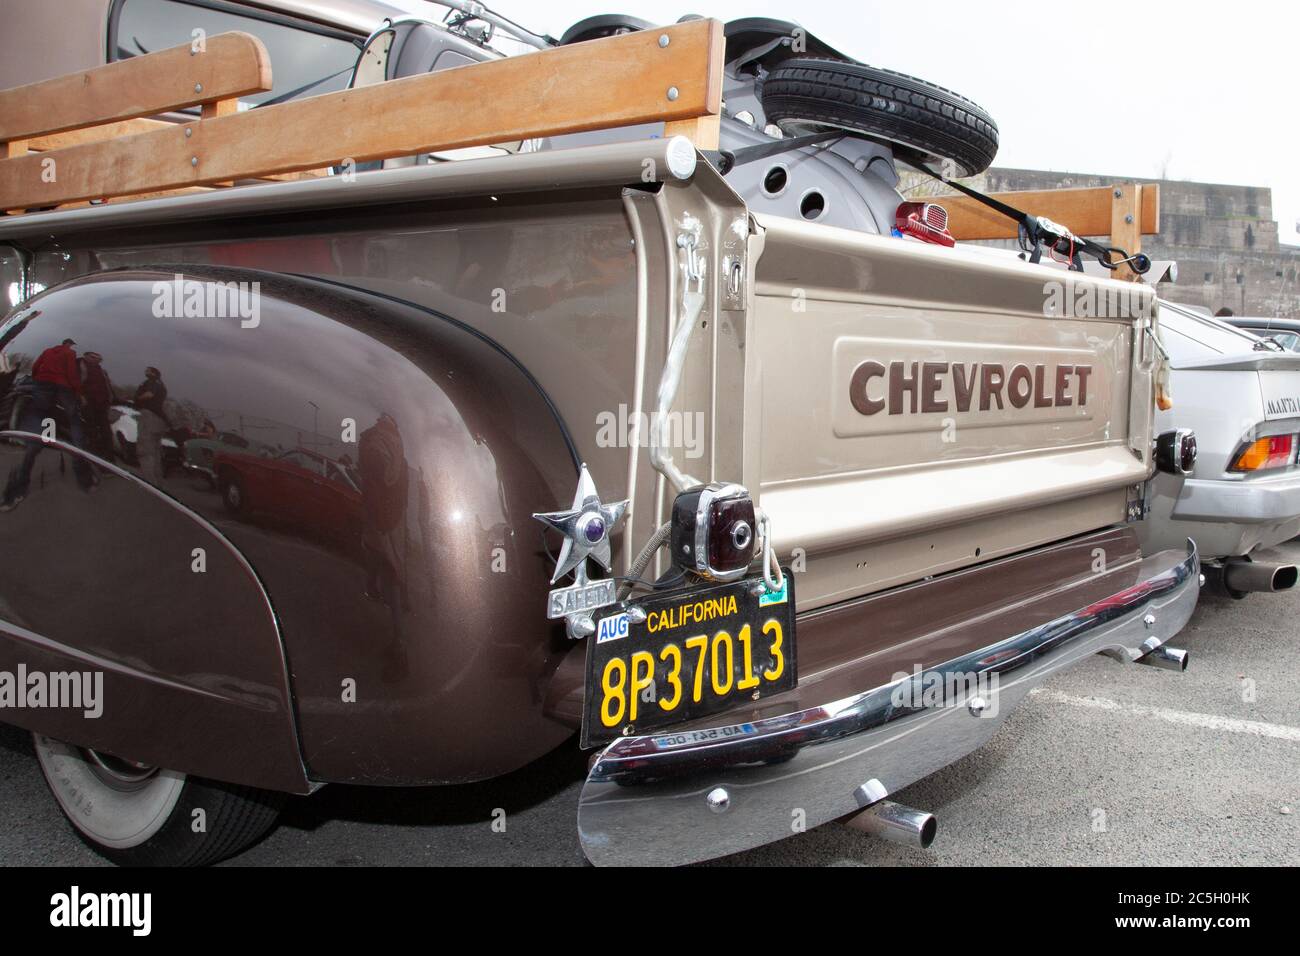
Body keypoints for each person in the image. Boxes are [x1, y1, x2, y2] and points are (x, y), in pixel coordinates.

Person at [1, 338, 95, 511]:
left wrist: (40, 382)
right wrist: (78, 392)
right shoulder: (69, 353)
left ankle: (17, 490)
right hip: (62, 387)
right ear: (69, 344)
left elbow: (36, 366)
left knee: (37, 419)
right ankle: (84, 476)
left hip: (42, 385)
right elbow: (72, 375)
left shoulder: (48, 351)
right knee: (74, 420)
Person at [131, 366, 169, 483]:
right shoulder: (161, 384)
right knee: (155, 452)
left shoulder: (152, 381)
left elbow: (149, 394)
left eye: (147, 370)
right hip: (159, 419)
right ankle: (159, 482)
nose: (145, 371)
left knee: (145, 451)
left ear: (153, 372)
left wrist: (137, 399)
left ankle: (150, 484)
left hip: (149, 416)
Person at [78, 351, 116, 462]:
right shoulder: (80, 365)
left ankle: (109, 459)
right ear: (86, 356)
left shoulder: (102, 371)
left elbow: (107, 386)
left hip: (102, 404)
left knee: (106, 432)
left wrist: (111, 399)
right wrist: (81, 397)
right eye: (94, 357)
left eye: (99, 359)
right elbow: (75, 382)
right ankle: (94, 458)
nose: (97, 360)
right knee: (91, 431)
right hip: (88, 403)